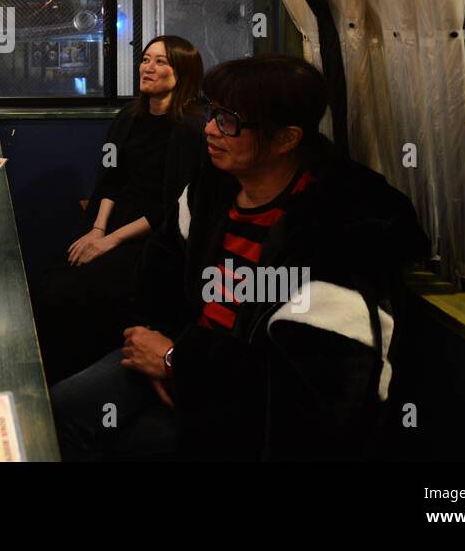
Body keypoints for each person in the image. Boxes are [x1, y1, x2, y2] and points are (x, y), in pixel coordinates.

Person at [52, 55, 427, 461]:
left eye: (229, 120)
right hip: (184, 355)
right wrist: (153, 341)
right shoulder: (209, 192)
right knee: (59, 406)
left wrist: (179, 365)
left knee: (134, 442)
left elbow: (315, 392)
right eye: (213, 111)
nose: (210, 128)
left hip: (251, 407)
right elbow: (157, 281)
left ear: (286, 139)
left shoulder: (336, 228)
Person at [32, 35, 205, 384]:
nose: (148, 68)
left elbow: (171, 208)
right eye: (145, 59)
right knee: (47, 282)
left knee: (70, 295)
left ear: (182, 73)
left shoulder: (191, 129)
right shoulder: (130, 116)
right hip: (114, 222)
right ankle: (45, 379)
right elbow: (110, 179)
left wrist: (111, 241)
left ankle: (67, 384)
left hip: (155, 238)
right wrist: (97, 230)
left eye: (160, 62)